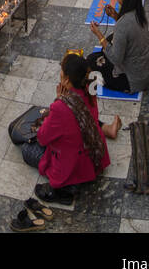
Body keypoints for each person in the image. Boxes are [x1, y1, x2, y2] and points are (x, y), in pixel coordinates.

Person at [19, 53, 111, 207]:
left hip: (72, 162)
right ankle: (74, 182)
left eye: (62, 71)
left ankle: (69, 185)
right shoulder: (90, 91)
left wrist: (58, 100)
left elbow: (42, 138)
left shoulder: (61, 107)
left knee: (27, 149)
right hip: (94, 156)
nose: (60, 74)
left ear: (67, 79)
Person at [86, 0, 149, 93]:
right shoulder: (139, 12)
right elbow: (130, 29)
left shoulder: (122, 25)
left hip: (134, 80)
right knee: (110, 40)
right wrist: (115, 16)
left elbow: (116, 60)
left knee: (91, 60)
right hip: (148, 70)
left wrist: (98, 34)